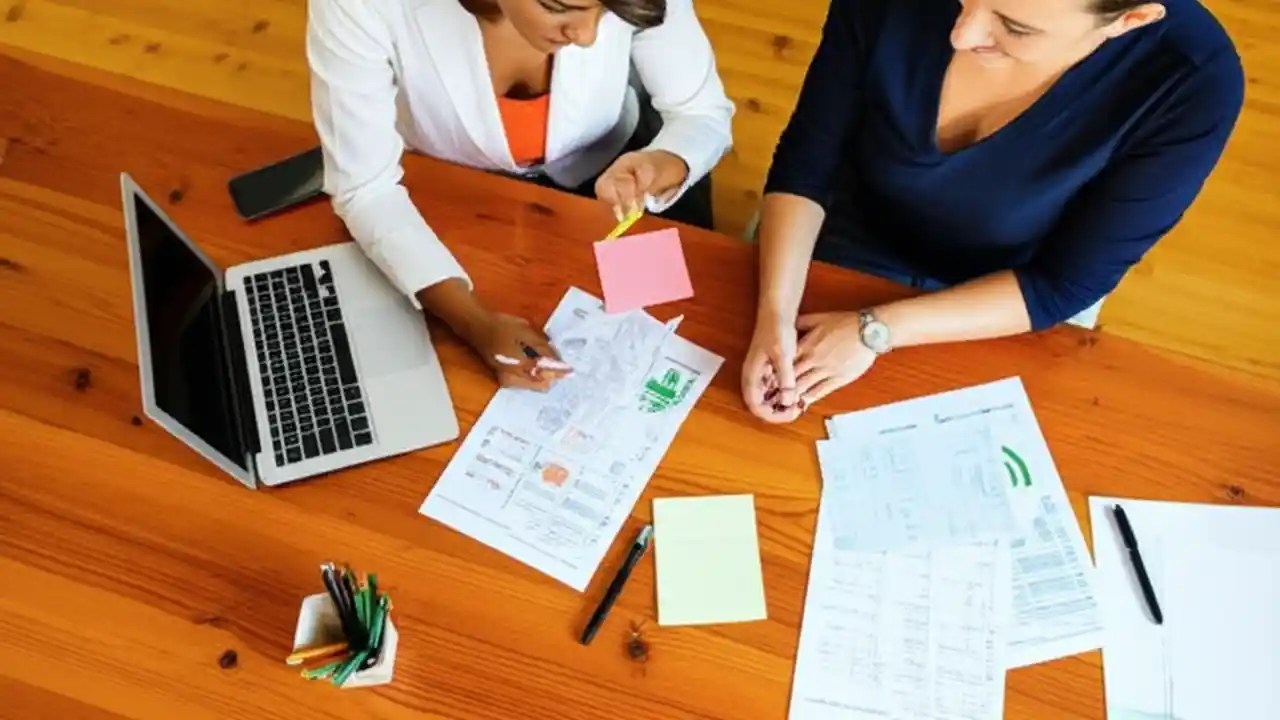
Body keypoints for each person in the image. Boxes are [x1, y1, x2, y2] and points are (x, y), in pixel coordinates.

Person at [742, 0, 1244, 423]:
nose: (961, 34)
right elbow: (807, 164)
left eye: (1016, 26)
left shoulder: (1191, 82)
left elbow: (1063, 284)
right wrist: (775, 310)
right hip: (843, 231)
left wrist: (877, 330)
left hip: (1010, 294)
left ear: (1126, 22)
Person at [307, 0, 733, 390]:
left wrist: (665, 161)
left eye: (605, 13)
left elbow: (702, 112)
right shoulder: (357, 6)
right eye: (560, 8)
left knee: (676, 344)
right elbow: (365, 188)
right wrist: (475, 324)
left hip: (610, 177)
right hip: (459, 201)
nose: (586, 37)